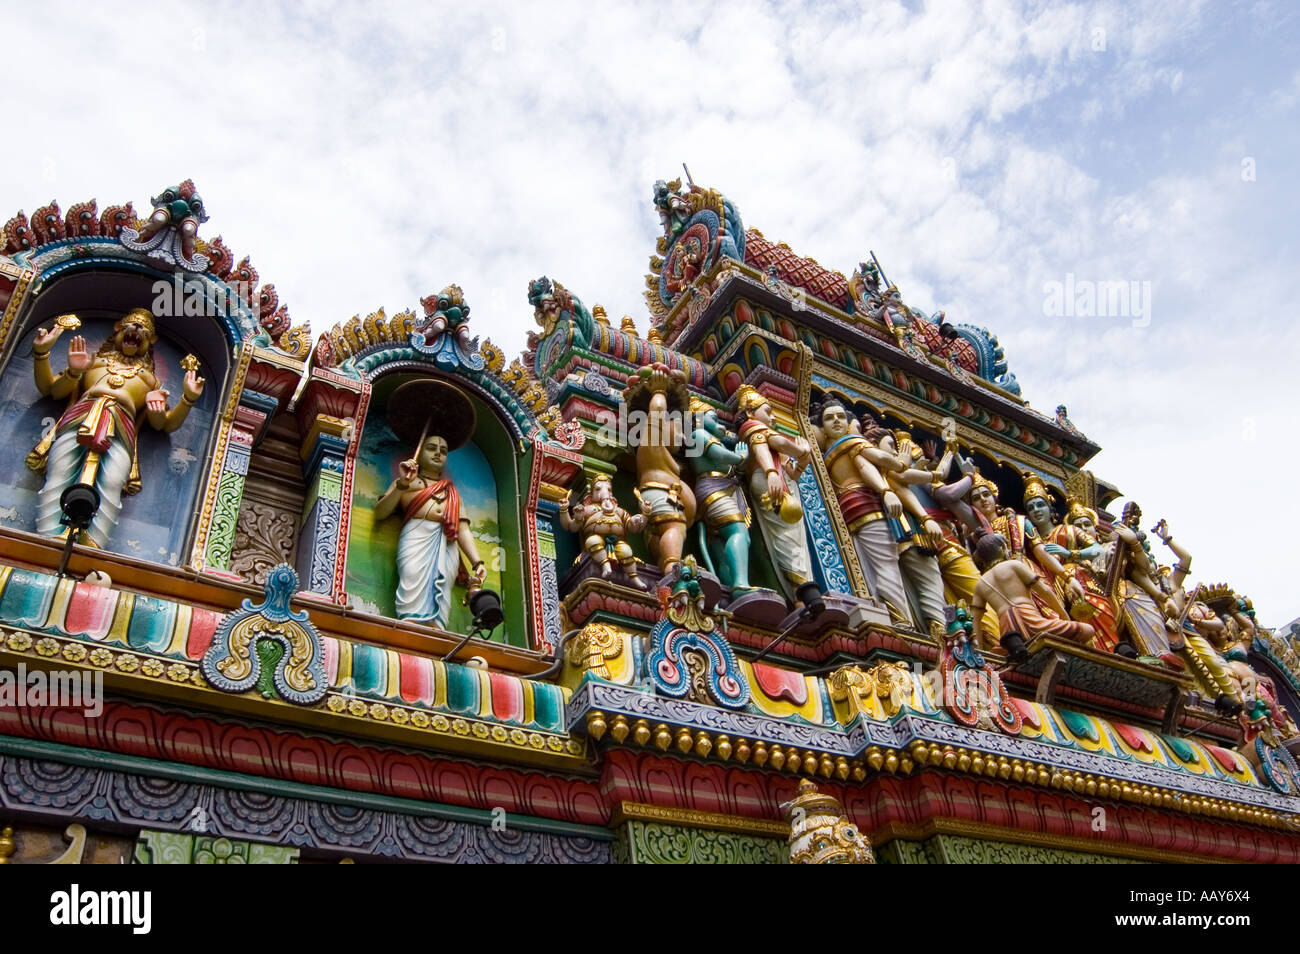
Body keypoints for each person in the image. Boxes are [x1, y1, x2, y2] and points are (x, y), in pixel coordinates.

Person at [27, 309, 204, 548]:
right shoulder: (94, 363)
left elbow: (165, 424)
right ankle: (46, 539)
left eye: (143, 329)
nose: (136, 331)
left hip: (120, 430)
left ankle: (92, 546)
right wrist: (44, 354)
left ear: (151, 341)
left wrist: (187, 400)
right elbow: (53, 389)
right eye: (131, 326)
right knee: (60, 473)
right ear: (119, 329)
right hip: (81, 419)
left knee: (111, 483)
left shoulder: (151, 381)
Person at [374, 433, 488, 628]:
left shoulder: (451, 491)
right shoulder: (406, 483)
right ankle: (408, 621)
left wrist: (476, 562)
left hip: (445, 544)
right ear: (419, 453)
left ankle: (436, 628)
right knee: (411, 574)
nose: (438, 453)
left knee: (442, 584)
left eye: (443, 451)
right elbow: (380, 513)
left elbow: (462, 528)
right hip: (416, 537)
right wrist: (401, 485)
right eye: (431, 448)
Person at [813, 400, 910, 622]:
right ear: (823, 429)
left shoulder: (826, 456)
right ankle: (901, 619)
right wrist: (891, 481)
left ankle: (881, 614)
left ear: (848, 422)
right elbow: (872, 462)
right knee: (886, 565)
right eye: (829, 418)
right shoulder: (851, 442)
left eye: (840, 416)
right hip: (865, 504)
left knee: (864, 568)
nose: (836, 421)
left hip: (846, 510)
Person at [736, 384, 820, 608]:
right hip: (768, 480)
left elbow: (792, 471)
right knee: (785, 537)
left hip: (781, 482)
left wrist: (802, 461)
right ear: (750, 413)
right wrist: (773, 470)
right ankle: (801, 593)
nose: (773, 418)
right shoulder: (752, 427)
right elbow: (772, 444)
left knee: (793, 536)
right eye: (768, 412)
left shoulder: (764, 429)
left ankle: (802, 595)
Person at [970, 532, 1095, 660]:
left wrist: (979, 652)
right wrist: (1064, 616)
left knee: (1003, 653)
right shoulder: (1014, 565)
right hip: (1031, 620)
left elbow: (975, 619)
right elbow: (1045, 591)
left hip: (1009, 633)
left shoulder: (980, 583)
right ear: (1002, 549)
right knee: (1087, 630)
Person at [684, 399, 752, 590]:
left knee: (720, 543)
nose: (721, 426)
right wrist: (740, 458)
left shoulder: (709, 437)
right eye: (714, 419)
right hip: (713, 490)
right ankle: (740, 584)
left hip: (722, 489)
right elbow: (719, 455)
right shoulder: (698, 434)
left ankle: (730, 587)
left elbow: (728, 466)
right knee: (738, 532)